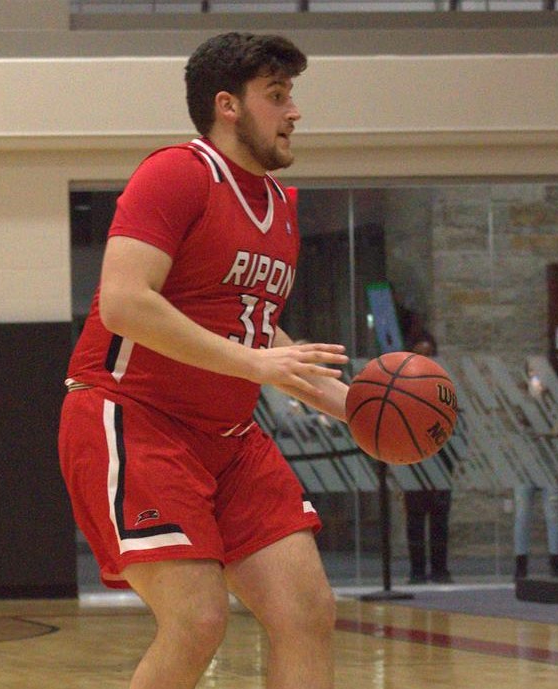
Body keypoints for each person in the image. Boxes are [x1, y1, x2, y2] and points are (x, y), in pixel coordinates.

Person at [58, 33, 349, 689]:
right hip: (134, 416)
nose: (294, 111)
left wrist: (355, 409)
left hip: (229, 436)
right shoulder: (178, 173)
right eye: (277, 95)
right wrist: (254, 366)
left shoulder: (280, 207)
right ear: (228, 105)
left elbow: (256, 329)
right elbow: (125, 303)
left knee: (307, 611)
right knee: (197, 618)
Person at [403, 336, 454, 584]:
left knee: (439, 519)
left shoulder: (445, 388)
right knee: (414, 519)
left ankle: (440, 569)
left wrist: (453, 459)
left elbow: (457, 424)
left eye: (428, 353)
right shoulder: (403, 387)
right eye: (419, 353)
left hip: (440, 461)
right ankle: (417, 570)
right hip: (412, 462)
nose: (424, 358)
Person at [514, 358, 558, 579]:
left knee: (553, 513)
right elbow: (521, 426)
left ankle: (555, 563)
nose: (536, 376)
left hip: (550, 464)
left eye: (539, 371)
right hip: (526, 464)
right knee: (522, 514)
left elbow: (557, 429)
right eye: (532, 371)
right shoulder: (520, 399)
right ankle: (520, 564)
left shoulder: (556, 400)